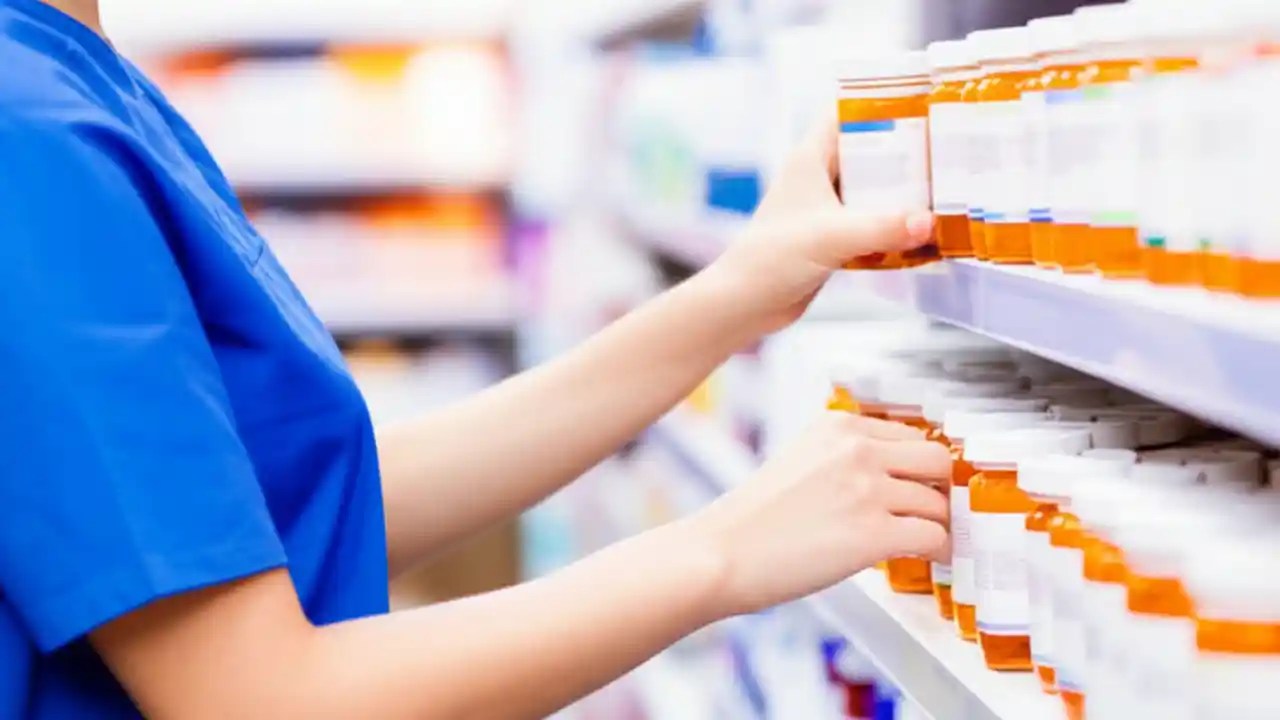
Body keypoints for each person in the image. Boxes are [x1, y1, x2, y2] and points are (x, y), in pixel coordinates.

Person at [0, 0, 951, 717]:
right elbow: (259, 699)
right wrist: (722, 550)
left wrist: (736, 293)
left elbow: (279, 517)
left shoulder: (68, 75)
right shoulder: (24, 127)